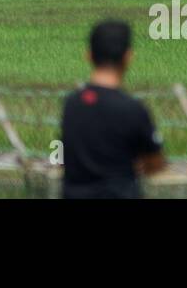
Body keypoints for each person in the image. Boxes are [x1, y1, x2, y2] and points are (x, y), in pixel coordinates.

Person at [60, 18, 166, 198]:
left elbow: (64, 157)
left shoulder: (71, 104)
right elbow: (155, 162)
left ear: (89, 55)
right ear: (128, 56)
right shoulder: (132, 109)